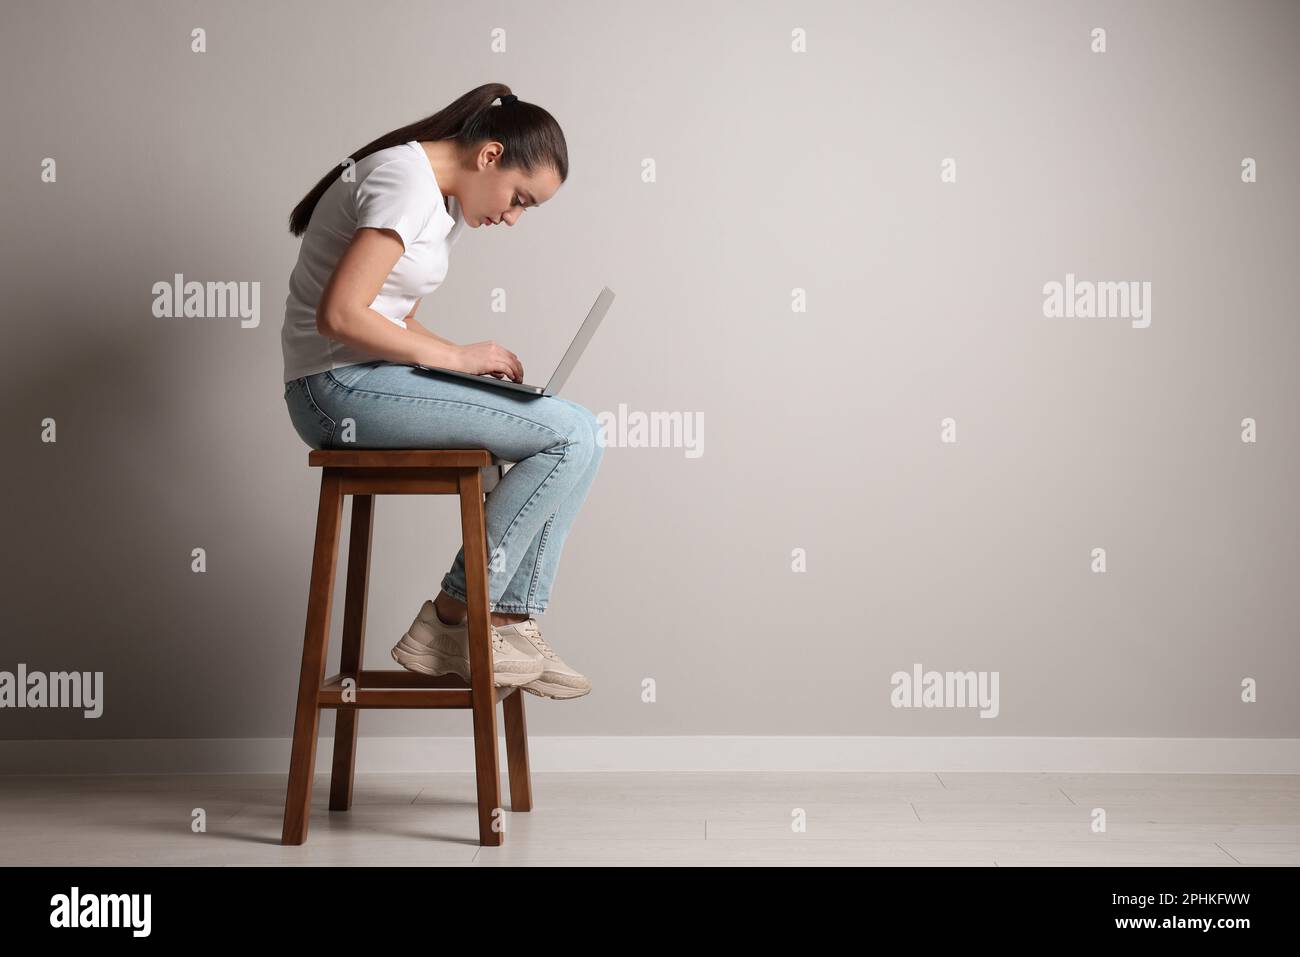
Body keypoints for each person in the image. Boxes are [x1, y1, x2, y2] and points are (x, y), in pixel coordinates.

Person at [280, 83, 601, 700]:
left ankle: (503, 621)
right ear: (489, 156)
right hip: (333, 389)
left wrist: (460, 368)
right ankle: (458, 619)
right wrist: (452, 357)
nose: (512, 218)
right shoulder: (405, 182)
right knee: (570, 433)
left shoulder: (438, 201)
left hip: (365, 379)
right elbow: (341, 317)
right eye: (519, 200)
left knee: (578, 431)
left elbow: (391, 318)